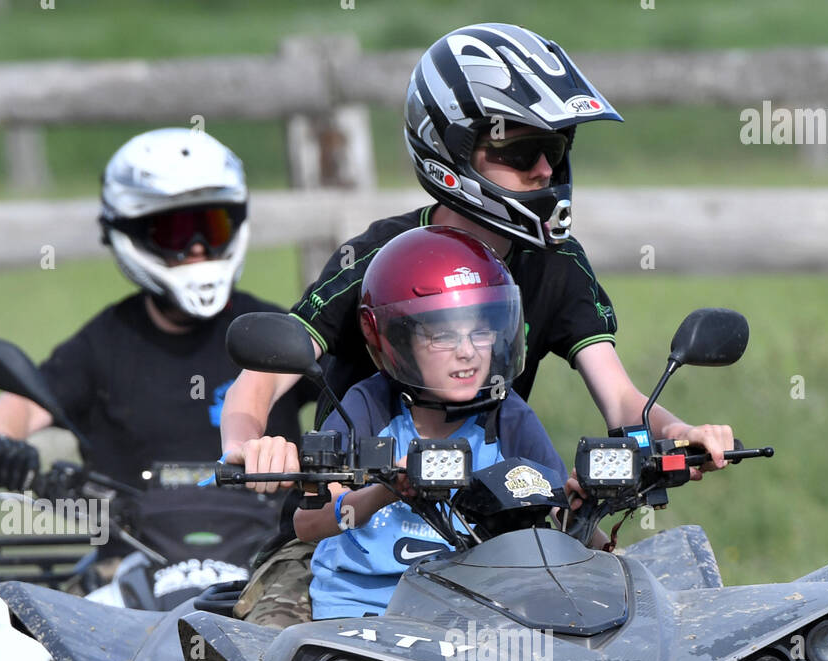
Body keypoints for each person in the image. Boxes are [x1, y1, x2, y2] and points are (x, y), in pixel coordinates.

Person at [221, 22, 733, 622]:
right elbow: (259, 382)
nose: (544, 169)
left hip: (493, 529)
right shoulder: (379, 255)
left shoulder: (555, 260)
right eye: (518, 151)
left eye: (557, 148)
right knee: (277, 649)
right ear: (451, 150)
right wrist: (250, 445)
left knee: (636, 619)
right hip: (343, 536)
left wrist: (678, 433)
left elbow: (623, 401)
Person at [243, 225, 586, 626]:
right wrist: (384, 492)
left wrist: (584, 507)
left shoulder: (508, 414)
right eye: (442, 336)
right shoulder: (367, 408)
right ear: (398, 340)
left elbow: (555, 518)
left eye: (481, 332)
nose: (467, 353)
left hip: (474, 613)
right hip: (359, 613)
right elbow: (308, 523)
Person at [0, 128, 312, 494]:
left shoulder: (274, 335)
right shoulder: (104, 344)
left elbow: (356, 396)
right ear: (132, 233)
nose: (197, 249)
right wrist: (1, 444)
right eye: (175, 233)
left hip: (267, 547)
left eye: (211, 228)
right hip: (134, 547)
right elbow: (19, 407)